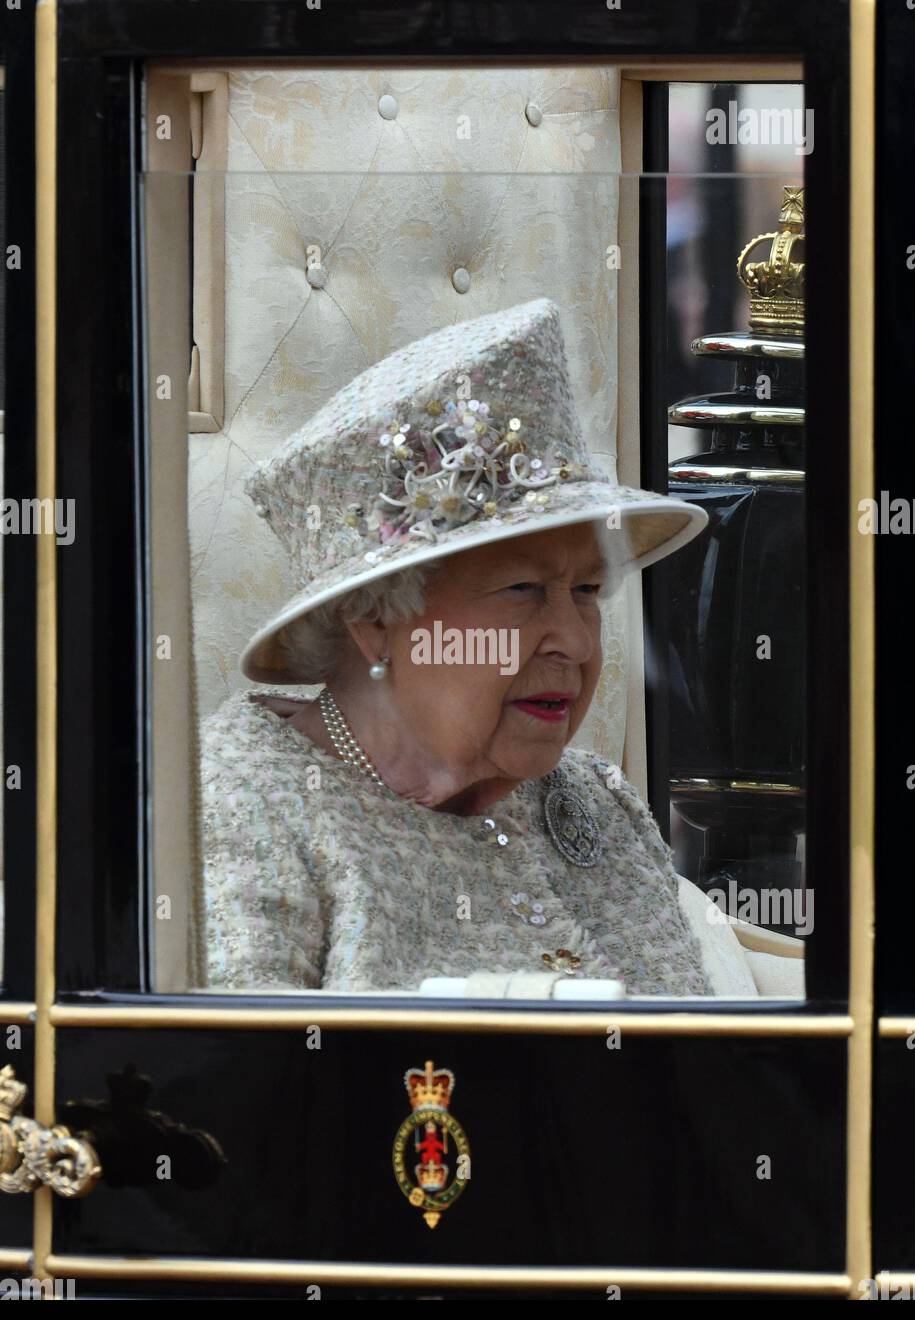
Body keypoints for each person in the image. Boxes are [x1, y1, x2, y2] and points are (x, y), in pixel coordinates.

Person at [199, 297, 716, 995]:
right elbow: (238, 1094)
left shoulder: (593, 799)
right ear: (374, 619)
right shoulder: (238, 807)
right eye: (522, 590)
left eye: (587, 591)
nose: (571, 640)